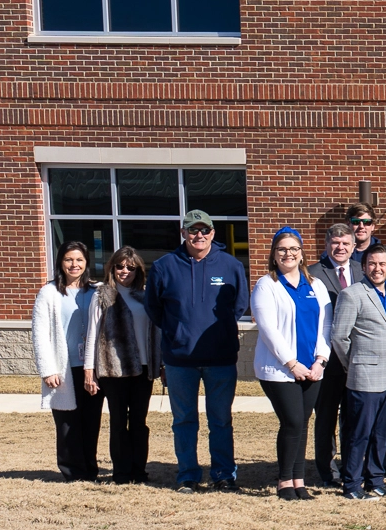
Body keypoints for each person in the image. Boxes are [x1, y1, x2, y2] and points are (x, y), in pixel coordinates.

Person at [146, 209, 250, 493]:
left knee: (221, 420)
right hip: (180, 360)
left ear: (213, 233)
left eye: (204, 230)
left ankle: (223, 475)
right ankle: (188, 476)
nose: (199, 235)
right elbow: (154, 308)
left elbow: (239, 305)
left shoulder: (231, 265)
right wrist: (178, 332)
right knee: (184, 420)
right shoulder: (164, 266)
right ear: (183, 233)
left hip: (221, 358)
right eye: (193, 230)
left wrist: (220, 332)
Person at [252, 228, 332, 501]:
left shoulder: (316, 285)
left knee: (303, 423)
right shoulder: (266, 285)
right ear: (274, 255)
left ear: (302, 253)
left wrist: (321, 360)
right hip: (280, 370)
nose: (288, 254)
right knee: (292, 421)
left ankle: (299, 480)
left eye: (294, 249)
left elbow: (326, 326)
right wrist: (291, 363)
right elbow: (268, 330)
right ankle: (285, 481)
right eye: (282, 249)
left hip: (313, 368)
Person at [330, 245, 386, 500]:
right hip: (364, 377)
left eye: (382, 264)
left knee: (381, 434)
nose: (377, 269)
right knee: (358, 434)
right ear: (363, 266)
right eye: (372, 264)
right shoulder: (352, 295)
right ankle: (352, 484)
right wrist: (354, 365)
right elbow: (339, 337)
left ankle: (376, 481)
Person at [81, 246, 159, 485]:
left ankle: (139, 470)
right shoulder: (101, 295)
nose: (125, 271)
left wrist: (161, 364)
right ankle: (122, 473)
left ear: (138, 271)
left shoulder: (145, 296)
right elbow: (92, 334)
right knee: (118, 421)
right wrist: (89, 371)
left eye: (131, 267)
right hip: (113, 369)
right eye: (120, 266)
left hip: (143, 368)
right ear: (112, 268)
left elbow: (157, 332)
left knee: (139, 421)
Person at [33, 240, 102, 482]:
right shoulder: (49, 292)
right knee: (67, 422)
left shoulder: (97, 291)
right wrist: (47, 369)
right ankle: (72, 472)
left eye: (79, 260)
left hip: (91, 367)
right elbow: (40, 334)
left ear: (87, 263)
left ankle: (90, 470)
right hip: (63, 368)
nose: (74, 264)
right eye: (69, 259)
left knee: (91, 421)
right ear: (60, 262)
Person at [311, 222, 359, 489]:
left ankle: (352, 467)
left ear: (353, 246)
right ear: (327, 244)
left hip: (356, 357)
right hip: (327, 359)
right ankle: (327, 472)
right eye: (335, 243)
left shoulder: (362, 271)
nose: (340, 248)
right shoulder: (313, 273)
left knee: (352, 417)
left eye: (345, 243)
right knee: (326, 417)